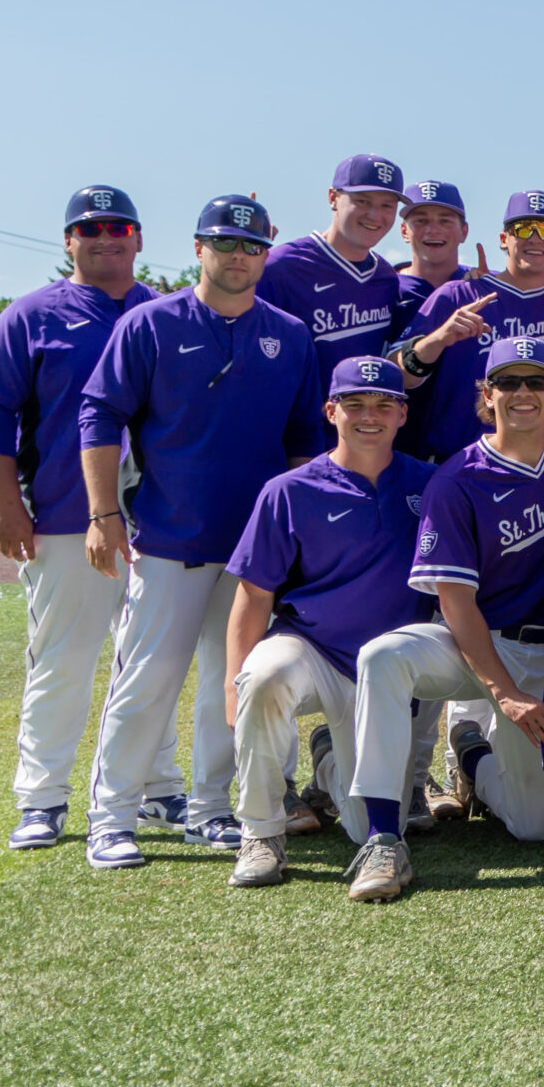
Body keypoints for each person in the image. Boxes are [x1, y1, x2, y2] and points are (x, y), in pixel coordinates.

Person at [349, 339, 544, 873]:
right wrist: (505, 693)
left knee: (539, 825)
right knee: (382, 657)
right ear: (487, 395)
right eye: (508, 382)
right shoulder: (458, 478)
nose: (522, 393)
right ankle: (383, 835)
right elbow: (455, 600)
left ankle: (475, 755)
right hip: (483, 642)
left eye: (536, 383)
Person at [77, 196, 326, 868]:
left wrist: (302, 537)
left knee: (233, 683)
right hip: (168, 541)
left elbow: (304, 440)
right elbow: (99, 415)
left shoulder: (291, 334)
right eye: (225, 242)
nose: (238, 255)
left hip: (255, 551)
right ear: (199, 248)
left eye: (250, 245)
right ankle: (112, 816)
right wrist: (103, 516)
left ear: (265, 253)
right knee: (146, 681)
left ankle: (212, 809)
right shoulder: (150, 324)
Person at [0, 187, 158, 852]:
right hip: (62, 515)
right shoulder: (31, 315)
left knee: (152, 663)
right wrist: (5, 502)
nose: (105, 237)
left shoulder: (166, 312)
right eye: (90, 227)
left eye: (118, 226)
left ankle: (158, 787)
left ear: (139, 237)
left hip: (162, 523)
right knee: (63, 661)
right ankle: (42, 797)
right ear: (68, 240)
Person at [221, 356, 438, 895]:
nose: (370, 415)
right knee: (265, 677)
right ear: (330, 410)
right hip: (312, 646)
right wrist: (234, 682)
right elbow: (253, 595)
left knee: (367, 827)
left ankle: (326, 765)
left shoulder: (429, 483)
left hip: (386, 672)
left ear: (403, 413)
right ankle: (262, 831)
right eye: (355, 404)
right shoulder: (289, 490)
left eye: (384, 403)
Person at [396, 191, 544, 462]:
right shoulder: (458, 295)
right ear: (504, 239)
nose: (535, 238)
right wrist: (440, 338)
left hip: (538, 472)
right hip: (453, 464)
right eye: (523, 229)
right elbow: (398, 377)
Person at [258, 154, 409, 381]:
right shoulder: (280, 267)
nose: (375, 215)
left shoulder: (386, 276)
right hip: (296, 415)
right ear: (332, 198)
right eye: (362, 201)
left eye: (386, 205)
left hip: (366, 415)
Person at [392, 180, 474, 334]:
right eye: (421, 221)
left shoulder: (484, 284)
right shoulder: (385, 287)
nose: (433, 230)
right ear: (404, 231)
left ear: (464, 232)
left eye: (445, 221)